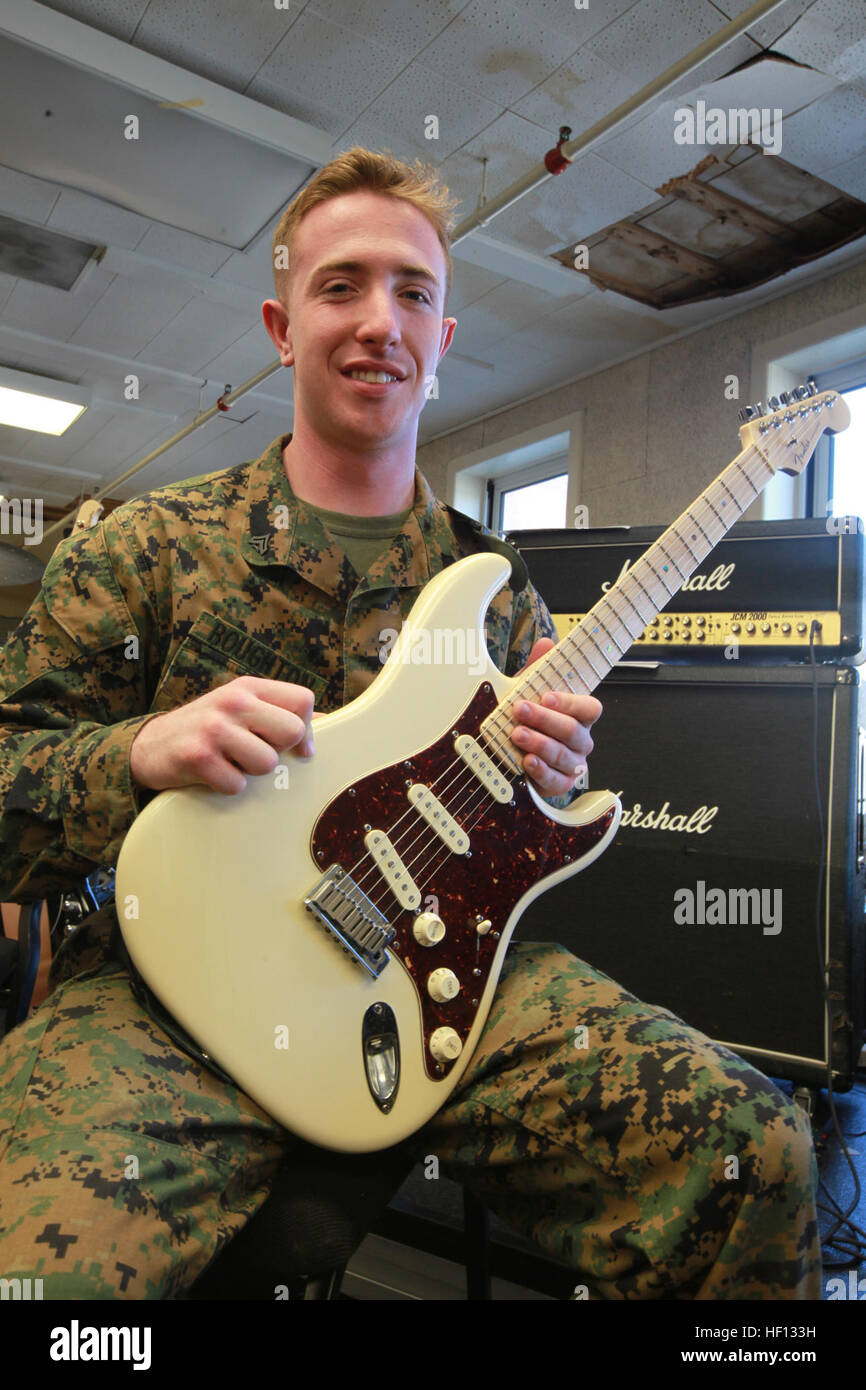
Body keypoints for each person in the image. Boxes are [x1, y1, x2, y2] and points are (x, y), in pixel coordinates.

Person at [0, 147, 820, 1300]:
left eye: (414, 292)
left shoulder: (492, 583)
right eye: (341, 286)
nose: (378, 319)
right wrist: (133, 752)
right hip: (167, 990)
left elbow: (530, 833)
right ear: (284, 327)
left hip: (438, 975)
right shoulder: (143, 547)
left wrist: (546, 782)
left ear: (442, 340)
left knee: (757, 1150)